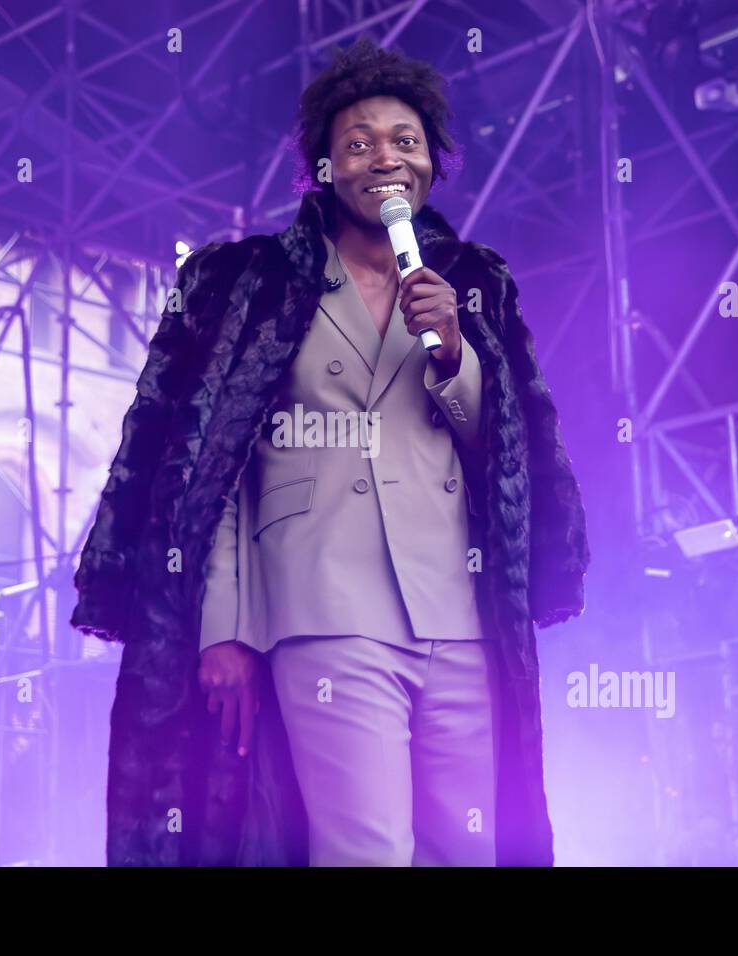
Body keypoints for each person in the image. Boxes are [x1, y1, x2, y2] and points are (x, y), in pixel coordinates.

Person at [71, 36, 589, 867]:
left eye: (406, 141)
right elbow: (213, 472)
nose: (385, 158)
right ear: (323, 167)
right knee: (365, 852)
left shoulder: (471, 287)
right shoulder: (253, 283)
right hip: (321, 610)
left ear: (432, 165)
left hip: (458, 614)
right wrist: (224, 630)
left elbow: (507, 453)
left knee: (469, 851)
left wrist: (454, 351)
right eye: (359, 142)